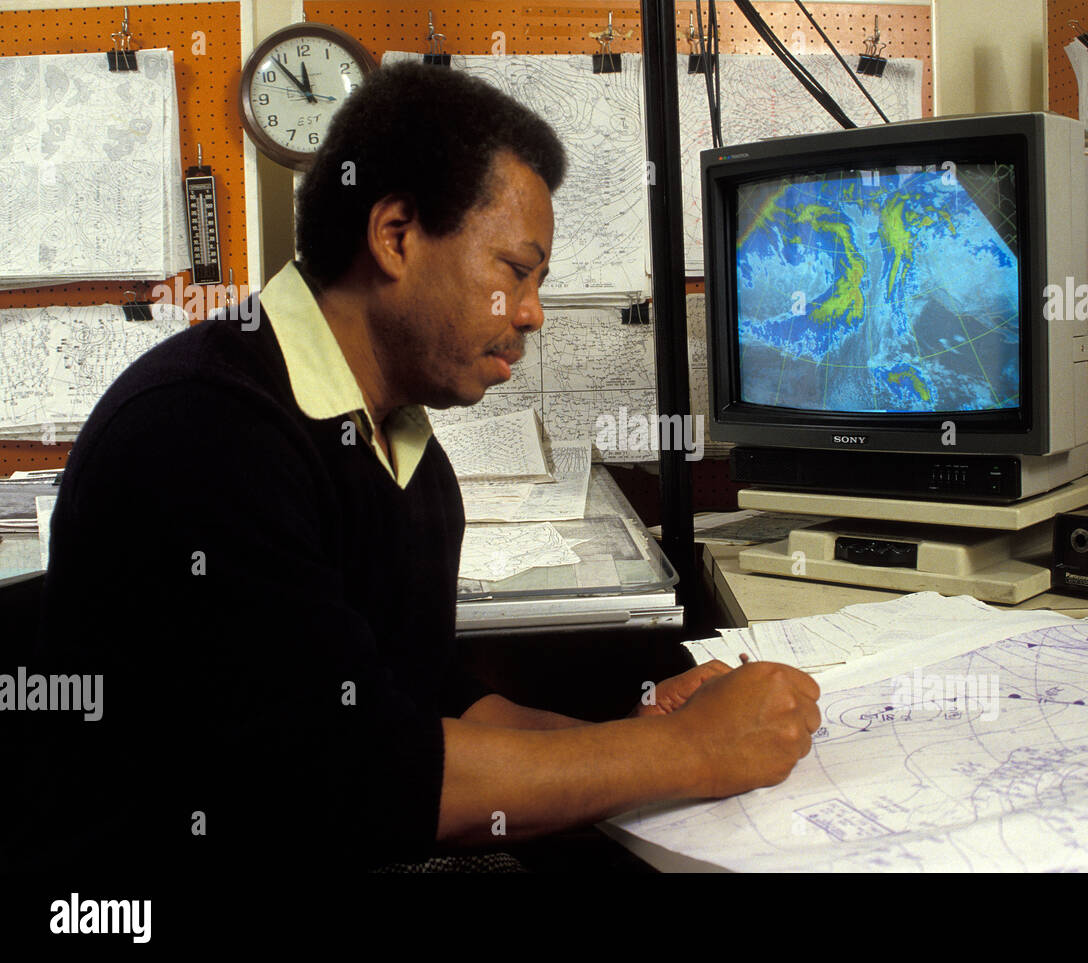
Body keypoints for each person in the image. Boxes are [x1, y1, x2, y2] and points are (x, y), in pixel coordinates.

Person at [7, 63, 819, 874]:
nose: (532, 312)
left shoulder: (408, 458)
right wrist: (691, 753)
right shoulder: (201, 431)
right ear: (395, 235)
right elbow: (361, 777)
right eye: (514, 270)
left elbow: (426, 708)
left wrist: (641, 733)